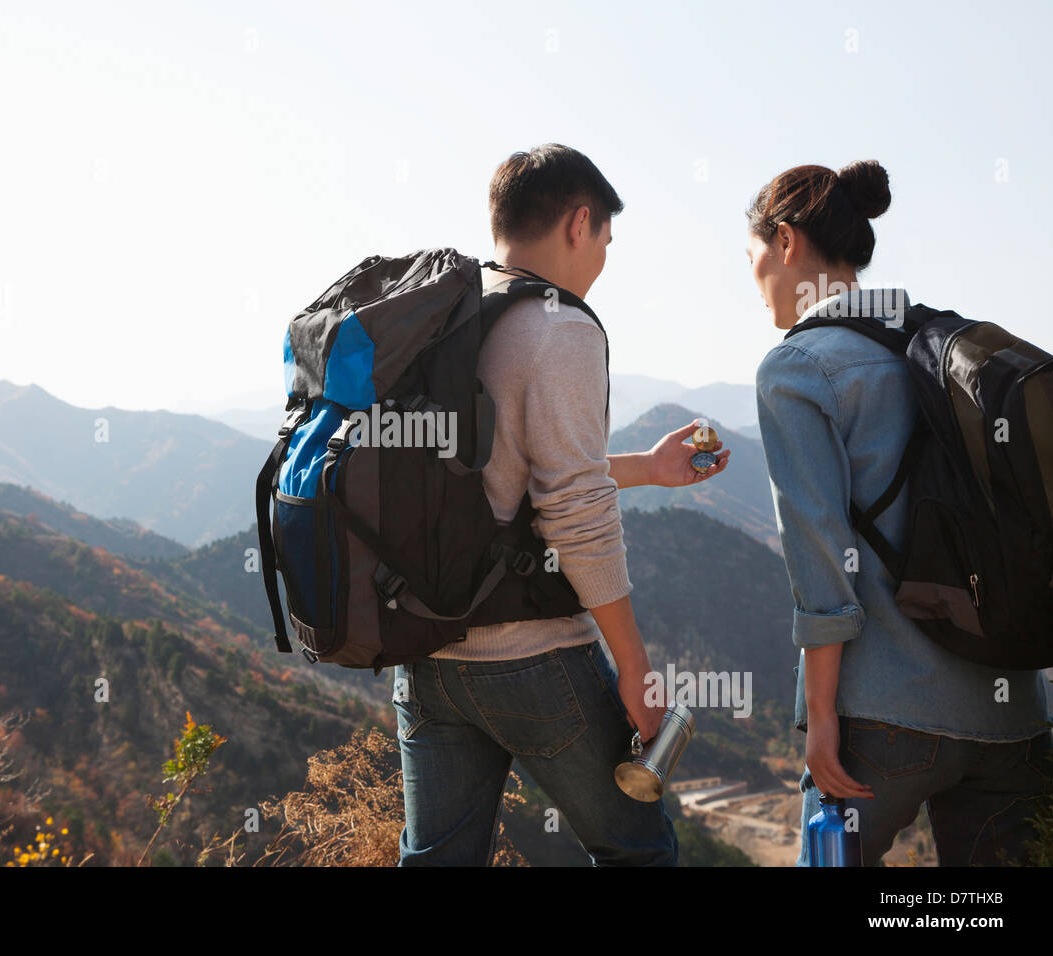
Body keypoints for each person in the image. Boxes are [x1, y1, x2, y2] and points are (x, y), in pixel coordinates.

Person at [393, 143, 730, 866]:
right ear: (580, 223)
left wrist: (647, 468)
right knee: (636, 850)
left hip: (425, 655)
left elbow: (500, 478)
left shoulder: (446, 318)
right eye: (607, 236)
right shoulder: (560, 327)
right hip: (533, 657)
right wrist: (635, 669)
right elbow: (574, 513)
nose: (605, 255)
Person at [747, 159, 1052, 865]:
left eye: (754, 254)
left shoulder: (797, 369)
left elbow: (820, 562)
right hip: (1012, 711)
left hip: (882, 716)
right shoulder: (951, 350)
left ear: (787, 241)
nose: (755, 276)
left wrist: (820, 718)